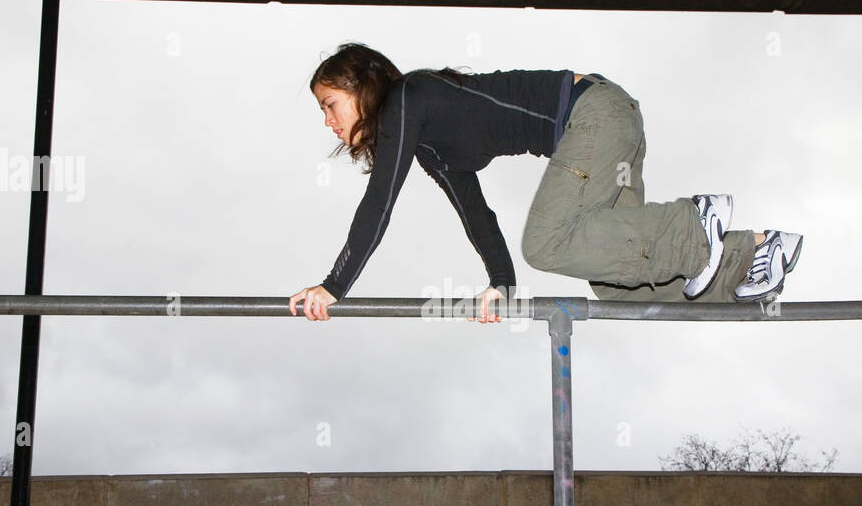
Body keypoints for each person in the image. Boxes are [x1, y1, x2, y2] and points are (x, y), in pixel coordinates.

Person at [288, 42, 803, 322]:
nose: (328, 122)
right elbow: (477, 216)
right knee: (617, 286)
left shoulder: (410, 97)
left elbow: (379, 202)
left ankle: (695, 220)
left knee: (547, 242)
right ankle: (752, 259)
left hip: (594, 115)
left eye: (330, 105)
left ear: (365, 87)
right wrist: (503, 285)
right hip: (610, 129)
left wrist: (334, 286)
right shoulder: (430, 146)